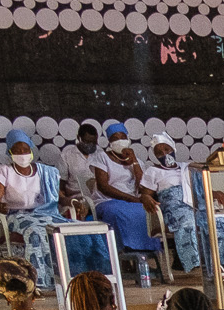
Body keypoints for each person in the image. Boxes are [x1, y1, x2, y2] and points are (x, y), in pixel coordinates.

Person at [0, 129, 70, 294]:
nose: (22, 154)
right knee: (36, 231)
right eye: (17, 150)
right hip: (18, 216)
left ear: (31, 150)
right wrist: (1, 206)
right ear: (10, 152)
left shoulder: (46, 172)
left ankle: (68, 277)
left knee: (70, 230)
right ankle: (39, 281)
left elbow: (60, 197)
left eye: (25, 150)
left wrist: (74, 202)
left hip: (46, 214)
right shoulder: (4, 171)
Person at [89, 123, 163, 270]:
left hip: (133, 201)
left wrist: (134, 161)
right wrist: (130, 199)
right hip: (108, 201)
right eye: (115, 138)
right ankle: (124, 257)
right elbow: (104, 187)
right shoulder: (102, 157)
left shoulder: (136, 161)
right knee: (117, 213)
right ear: (110, 142)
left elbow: (143, 186)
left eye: (123, 137)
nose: (120, 141)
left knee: (147, 211)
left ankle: (143, 257)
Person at [139, 133, 209, 282]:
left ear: (174, 149)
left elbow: (202, 187)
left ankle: (220, 264)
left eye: (166, 149)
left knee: (217, 220)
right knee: (187, 221)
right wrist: (146, 198)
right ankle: (194, 267)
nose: (164, 154)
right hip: (173, 207)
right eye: (159, 152)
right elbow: (145, 194)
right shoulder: (153, 171)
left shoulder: (187, 168)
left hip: (194, 205)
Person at [55, 120, 102, 211]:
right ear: (78, 138)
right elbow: (60, 186)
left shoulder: (101, 154)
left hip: (98, 198)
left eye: (94, 142)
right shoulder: (66, 156)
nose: (91, 145)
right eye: (87, 142)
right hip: (75, 199)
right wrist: (66, 200)